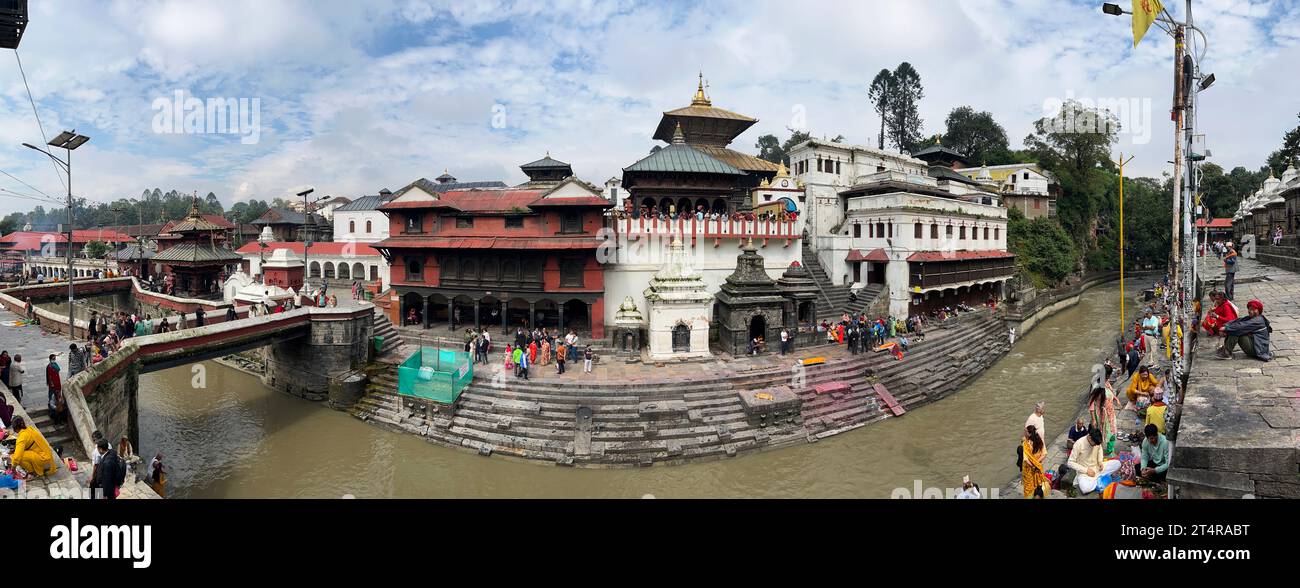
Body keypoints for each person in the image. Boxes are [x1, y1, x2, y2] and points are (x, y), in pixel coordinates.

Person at [1067, 427, 1122, 495]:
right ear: (1089, 438)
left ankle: (1097, 480)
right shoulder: (1079, 443)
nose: (1095, 446)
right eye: (1094, 444)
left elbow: (1100, 450)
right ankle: (1099, 480)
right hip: (1085, 473)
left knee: (1118, 463)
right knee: (1085, 488)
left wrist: (1100, 462)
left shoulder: (1096, 441)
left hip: (1098, 468)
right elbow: (1070, 462)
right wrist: (1086, 470)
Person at [1021, 425, 1048, 499]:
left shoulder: (1026, 444)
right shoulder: (1040, 441)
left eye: (1026, 431)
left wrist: (1032, 465)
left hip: (1028, 469)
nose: (1024, 433)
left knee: (1029, 487)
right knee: (1038, 484)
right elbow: (1044, 454)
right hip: (1038, 468)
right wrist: (1036, 463)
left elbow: (1026, 459)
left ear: (1029, 434)